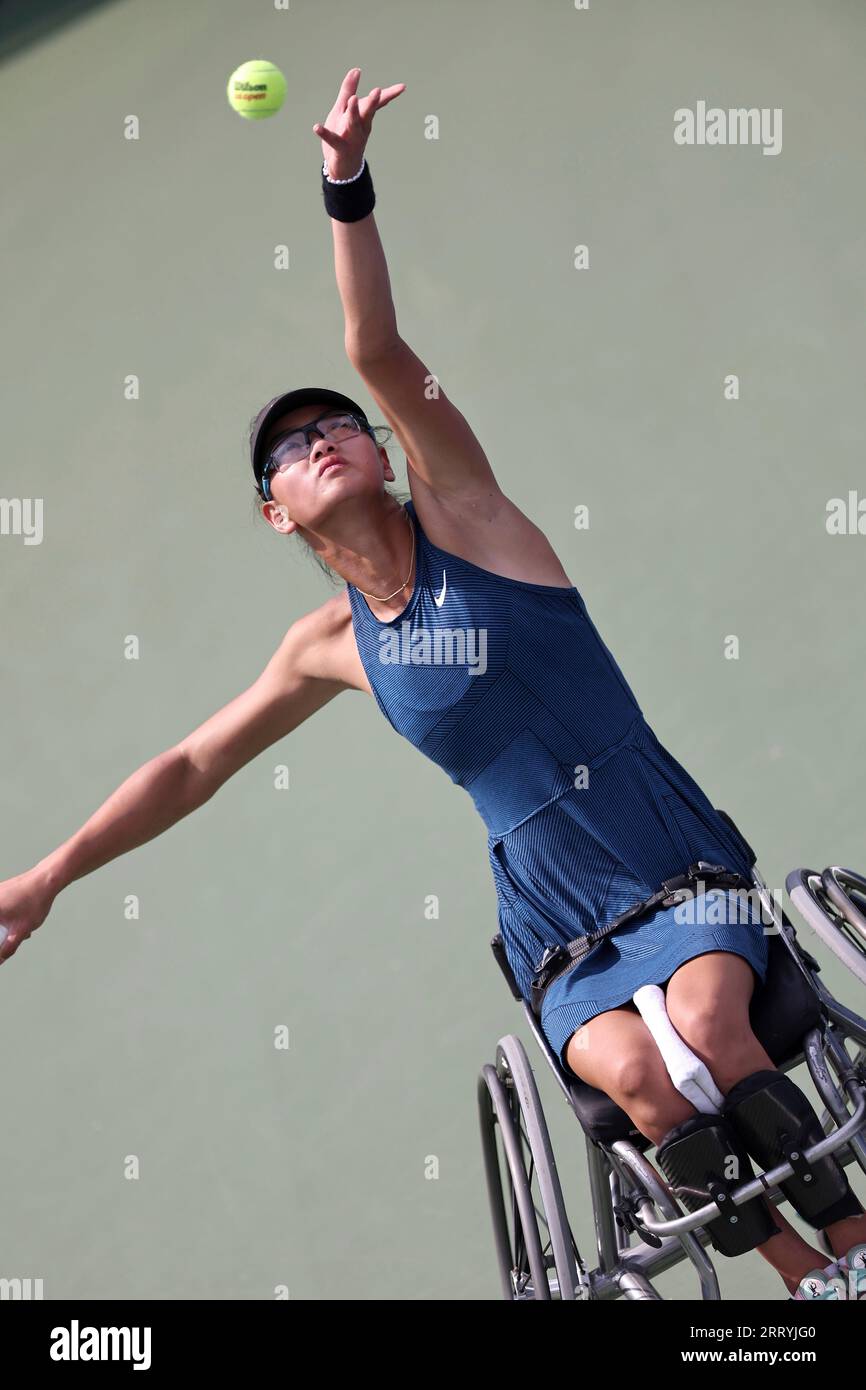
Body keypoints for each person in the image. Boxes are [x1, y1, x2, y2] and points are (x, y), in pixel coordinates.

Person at [2, 67, 863, 1301]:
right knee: (635, 1079)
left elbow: (375, 348)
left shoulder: (469, 516)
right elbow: (190, 765)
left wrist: (343, 179)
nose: (320, 439)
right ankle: (802, 1284)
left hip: (661, 849)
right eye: (291, 450)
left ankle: (853, 1249)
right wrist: (47, 875)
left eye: (334, 424)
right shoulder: (326, 646)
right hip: (549, 915)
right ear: (274, 511)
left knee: (714, 1032)